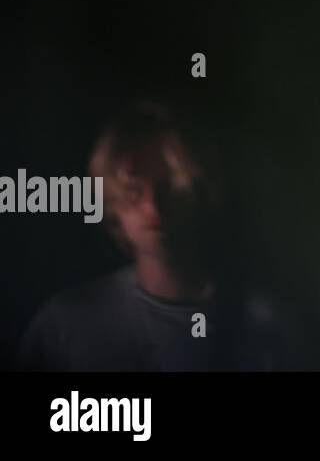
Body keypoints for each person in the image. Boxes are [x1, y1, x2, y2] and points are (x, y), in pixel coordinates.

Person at [17, 101, 298, 371]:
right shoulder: (66, 324)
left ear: (199, 190)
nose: (153, 207)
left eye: (169, 187)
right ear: (111, 203)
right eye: (133, 191)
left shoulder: (264, 327)